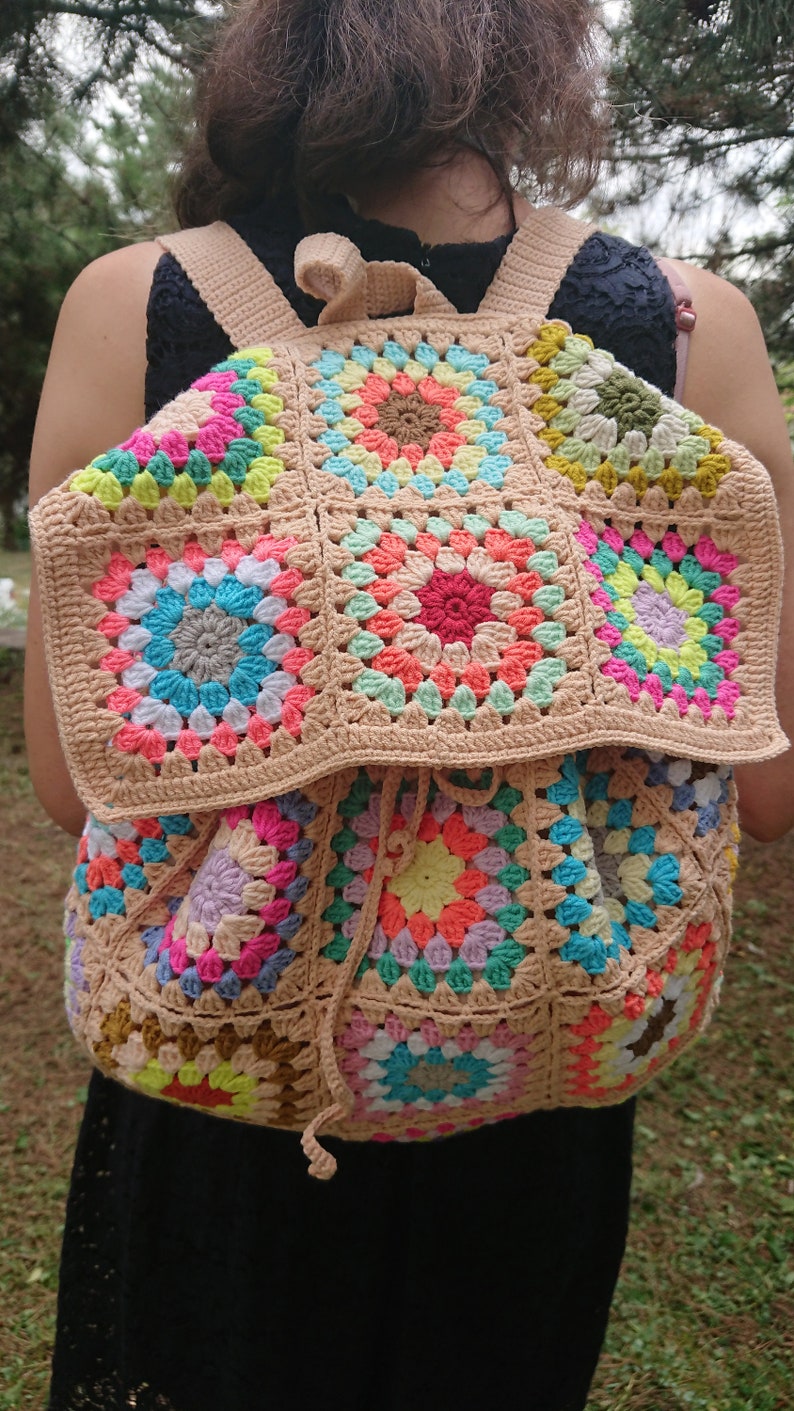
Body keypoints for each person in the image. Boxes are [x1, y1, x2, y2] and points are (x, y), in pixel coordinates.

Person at [25, 2, 794, 1408]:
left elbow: (79, 787)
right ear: (537, 51)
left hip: (226, 1058)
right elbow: (767, 783)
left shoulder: (135, 302)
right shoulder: (694, 325)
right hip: (549, 1041)